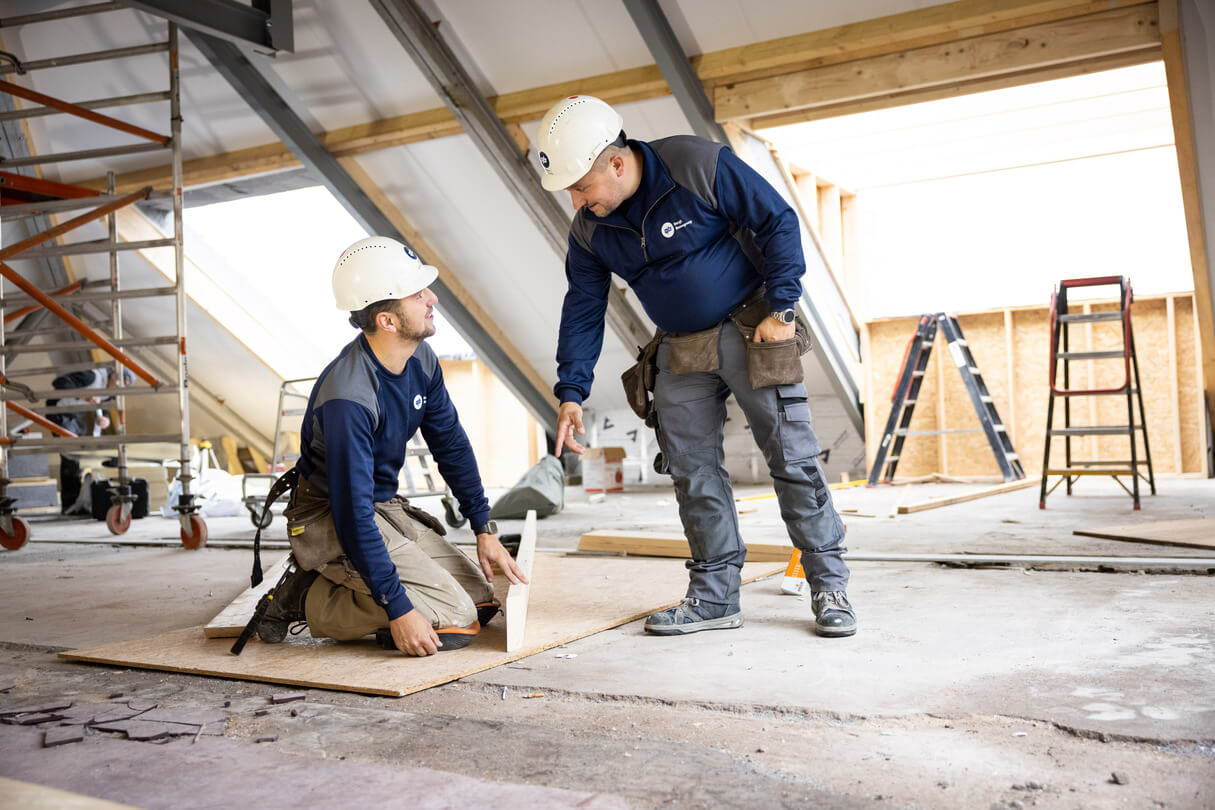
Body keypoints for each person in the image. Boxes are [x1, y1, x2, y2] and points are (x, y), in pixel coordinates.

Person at [538, 95, 855, 638]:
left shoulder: (696, 165)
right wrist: (571, 390)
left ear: (616, 163)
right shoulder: (590, 230)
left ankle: (829, 584)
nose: (576, 200)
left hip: (752, 328)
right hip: (680, 346)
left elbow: (777, 220)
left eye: (582, 186)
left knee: (793, 459)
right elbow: (583, 307)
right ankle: (714, 596)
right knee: (692, 471)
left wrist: (781, 308)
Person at [256, 236, 527, 656]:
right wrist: (398, 609)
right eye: (418, 294)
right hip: (330, 515)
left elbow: (451, 444)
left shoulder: (421, 359)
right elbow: (352, 515)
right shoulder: (349, 397)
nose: (432, 298)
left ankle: (362, 591)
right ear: (387, 320)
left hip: (379, 505)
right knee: (454, 620)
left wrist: (482, 527)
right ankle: (303, 598)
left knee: (482, 599)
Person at [47, 367, 132, 513]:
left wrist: (103, 418)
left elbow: (101, 406)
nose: (117, 389)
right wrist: (84, 396)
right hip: (59, 411)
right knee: (70, 454)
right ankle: (70, 503)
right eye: (119, 385)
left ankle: (74, 502)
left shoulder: (109, 389)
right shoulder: (92, 376)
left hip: (74, 416)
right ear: (114, 376)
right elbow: (59, 382)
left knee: (75, 454)